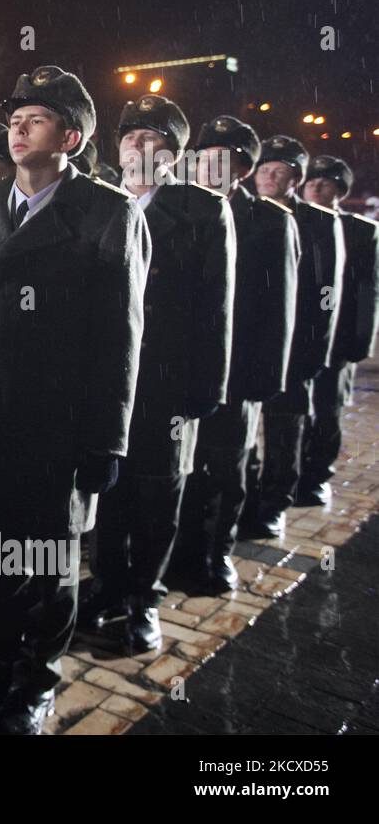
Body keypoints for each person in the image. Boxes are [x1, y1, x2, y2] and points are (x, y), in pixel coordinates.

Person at [0, 66, 150, 734]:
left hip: (60, 422)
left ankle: (37, 681)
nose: (18, 127)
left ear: (72, 134)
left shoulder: (104, 212)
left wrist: (107, 438)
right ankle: (0, 664)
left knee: (50, 561)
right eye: (14, 117)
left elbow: (123, 332)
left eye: (36, 118)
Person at [77, 94, 234, 651]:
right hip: (104, 379)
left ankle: (144, 598)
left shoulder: (202, 210)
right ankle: (106, 585)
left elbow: (216, 307)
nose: (140, 149)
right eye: (132, 139)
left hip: (165, 384)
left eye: (155, 142)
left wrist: (204, 390)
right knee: (107, 492)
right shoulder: (93, 202)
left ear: (174, 155)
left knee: (157, 495)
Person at [174, 117, 298, 593]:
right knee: (185, 466)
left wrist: (265, 379)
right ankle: (181, 549)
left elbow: (279, 307)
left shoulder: (270, 221)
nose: (210, 166)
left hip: (240, 370)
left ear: (244, 168)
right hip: (187, 366)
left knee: (227, 467)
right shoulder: (179, 211)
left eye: (223, 159)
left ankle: (216, 554)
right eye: (204, 157)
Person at [239, 135, 343, 539]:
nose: (268, 176)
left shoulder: (318, 221)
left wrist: (315, 351)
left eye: (278, 171)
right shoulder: (243, 214)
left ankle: (275, 504)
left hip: (296, 344)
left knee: (285, 431)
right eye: (264, 169)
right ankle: (245, 501)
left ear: (295, 178)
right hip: (251, 342)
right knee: (245, 433)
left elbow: (325, 294)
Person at [299, 156, 379, 506]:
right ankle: (287, 474)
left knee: (326, 411)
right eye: (311, 181)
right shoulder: (291, 221)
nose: (316, 187)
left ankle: (316, 476)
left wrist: (359, 341)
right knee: (294, 412)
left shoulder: (360, 230)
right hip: (299, 337)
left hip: (337, 340)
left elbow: (366, 291)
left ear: (340, 190)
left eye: (325, 183)